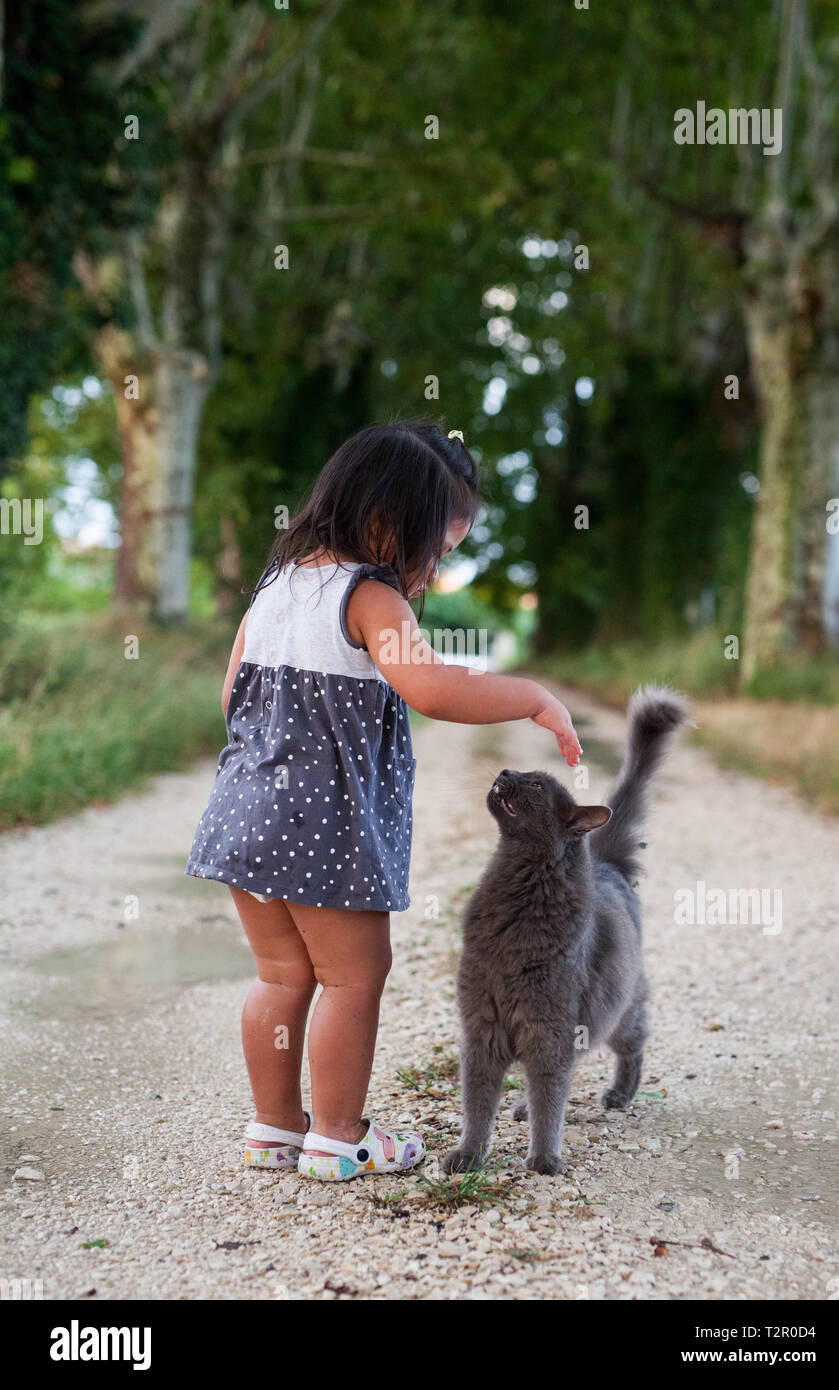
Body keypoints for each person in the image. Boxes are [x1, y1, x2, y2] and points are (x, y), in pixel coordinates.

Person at [185, 418, 582, 1181]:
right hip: (323, 830)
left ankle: (273, 1130)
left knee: (279, 976)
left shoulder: (277, 584)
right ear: (382, 522)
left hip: (242, 817)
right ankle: (338, 1137)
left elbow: (230, 692)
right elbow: (432, 688)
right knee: (353, 977)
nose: (433, 572)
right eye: (436, 549)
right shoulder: (368, 597)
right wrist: (531, 695)